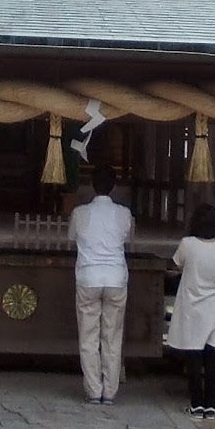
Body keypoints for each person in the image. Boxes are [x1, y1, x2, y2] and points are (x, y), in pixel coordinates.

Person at [69, 163, 134, 404]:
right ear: (114, 186)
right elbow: (128, 238)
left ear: (91, 186)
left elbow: (71, 237)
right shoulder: (124, 214)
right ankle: (111, 391)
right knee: (112, 336)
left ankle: (94, 390)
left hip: (88, 276)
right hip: (116, 276)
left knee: (88, 336)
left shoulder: (80, 213)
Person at [167, 202, 215, 419]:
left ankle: (196, 404)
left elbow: (176, 264)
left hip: (193, 306)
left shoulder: (188, 244)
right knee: (211, 355)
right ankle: (210, 405)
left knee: (193, 355)